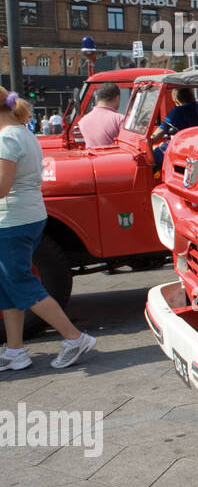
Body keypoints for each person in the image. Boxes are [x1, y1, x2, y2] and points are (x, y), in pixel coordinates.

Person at [0, 87, 96, 371]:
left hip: (11, 220)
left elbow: (2, 187)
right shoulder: (24, 133)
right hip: (28, 216)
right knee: (8, 284)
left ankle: (74, 337)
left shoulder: (6, 138)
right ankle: (14, 349)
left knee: (19, 283)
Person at [149, 87, 198, 167]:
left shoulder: (177, 111)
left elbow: (160, 132)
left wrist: (149, 141)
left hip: (184, 148)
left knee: (154, 156)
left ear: (176, 100)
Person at [77, 82, 125, 148]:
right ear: (117, 98)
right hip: (114, 157)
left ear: (98, 98)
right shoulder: (120, 119)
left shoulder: (83, 121)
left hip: (92, 157)